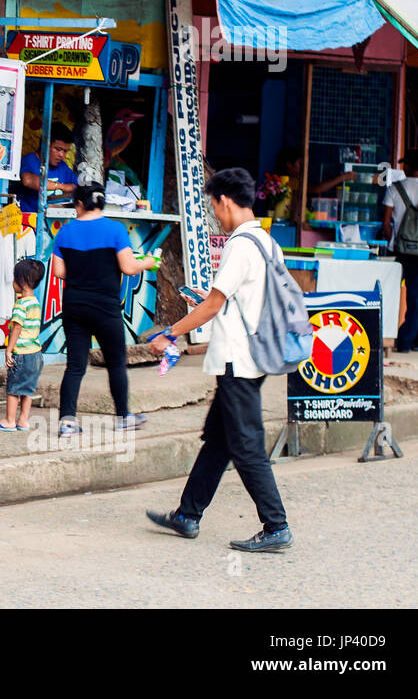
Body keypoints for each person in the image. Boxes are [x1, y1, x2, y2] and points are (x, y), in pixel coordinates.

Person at [146, 168, 293, 552]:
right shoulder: (266, 242)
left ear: (226, 201)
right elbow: (234, 300)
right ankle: (187, 514)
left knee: (245, 444)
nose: (216, 215)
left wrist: (171, 332)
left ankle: (276, 525)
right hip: (255, 354)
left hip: (238, 360)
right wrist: (207, 302)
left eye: (215, 207)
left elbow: (214, 304)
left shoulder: (240, 244)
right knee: (219, 439)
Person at [50, 183, 157, 436]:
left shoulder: (65, 232)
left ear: (79, 204)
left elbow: (59, 272)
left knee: (75, 366)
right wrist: (149, 263)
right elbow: (129, 267)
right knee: (116, 363)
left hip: (74, 305)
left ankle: (67, 421)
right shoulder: (115, 230)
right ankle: (123, 417)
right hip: (105, 308)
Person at [381, 152, 418, 353]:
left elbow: (386, 222)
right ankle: (406, 343)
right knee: (416, 296)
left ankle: (387, 336)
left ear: (409, 166)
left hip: (400, 250)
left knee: (391, 292)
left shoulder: (395, 189)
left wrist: (392, 239)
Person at [0, 258, 45, 433]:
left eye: (15, 278)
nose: (13, 282)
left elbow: (17, 328)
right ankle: (23, 420)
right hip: (36, 353)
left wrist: (8, 350)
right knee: (27, 389)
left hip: (21, 353)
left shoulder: (21, 304)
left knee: (13, 388)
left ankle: (9, 420)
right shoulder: (35, 302)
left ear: (23, 280)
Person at [17, 124, 78, 213]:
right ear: (45, 145)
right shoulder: (30, 160)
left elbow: (78, 188)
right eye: (58, 149)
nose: (62, 155)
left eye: (65, 151)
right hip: (30, 223)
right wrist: (62, 187)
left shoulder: (63, 167)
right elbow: (28, 180)